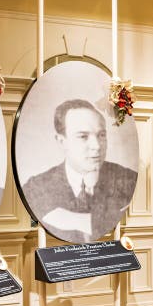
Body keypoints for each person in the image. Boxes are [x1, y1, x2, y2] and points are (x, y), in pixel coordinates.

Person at [19, 98, 137, 244]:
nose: (96, 146)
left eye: (101, 135)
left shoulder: (127, 180)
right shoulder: (36, 188)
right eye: (83, 136)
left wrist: (78, 220)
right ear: (62, 141)